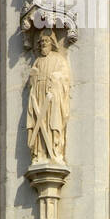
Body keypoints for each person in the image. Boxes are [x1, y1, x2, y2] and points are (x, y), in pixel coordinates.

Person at [27, 32, 70, 164]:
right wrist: (33, 77)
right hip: (39, 95)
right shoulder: (38, 61)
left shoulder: (59, 59)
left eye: (46, 41)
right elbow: (32, 79)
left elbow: (65, 77)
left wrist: (56, 79)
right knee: (38, 122)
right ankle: (40, 153)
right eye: (41, 42)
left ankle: (54, 150)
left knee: (52, 121)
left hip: (51, 96)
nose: (43, 44)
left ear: (52, 42)